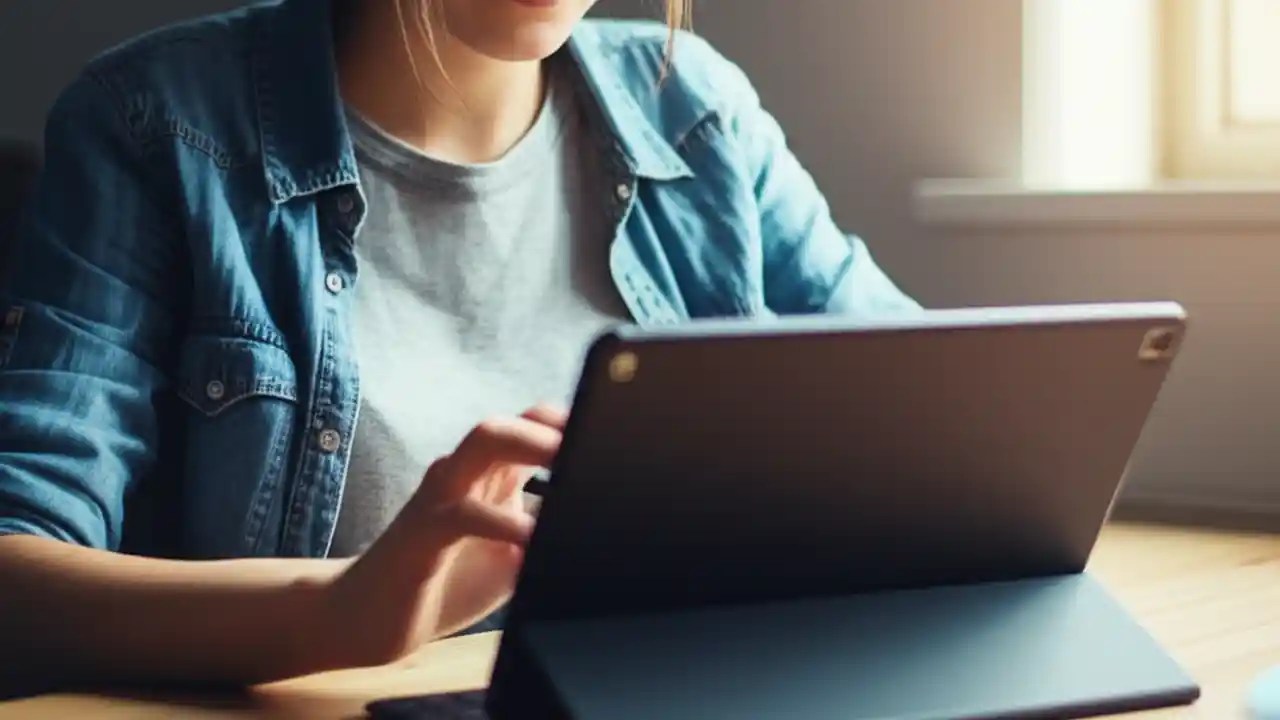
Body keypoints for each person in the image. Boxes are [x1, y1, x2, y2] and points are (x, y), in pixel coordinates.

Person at [0, 0, 918, 696]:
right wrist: (344, 608)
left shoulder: (694, 110)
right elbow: (17, 583)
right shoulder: (155, 128)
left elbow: (938, 418)